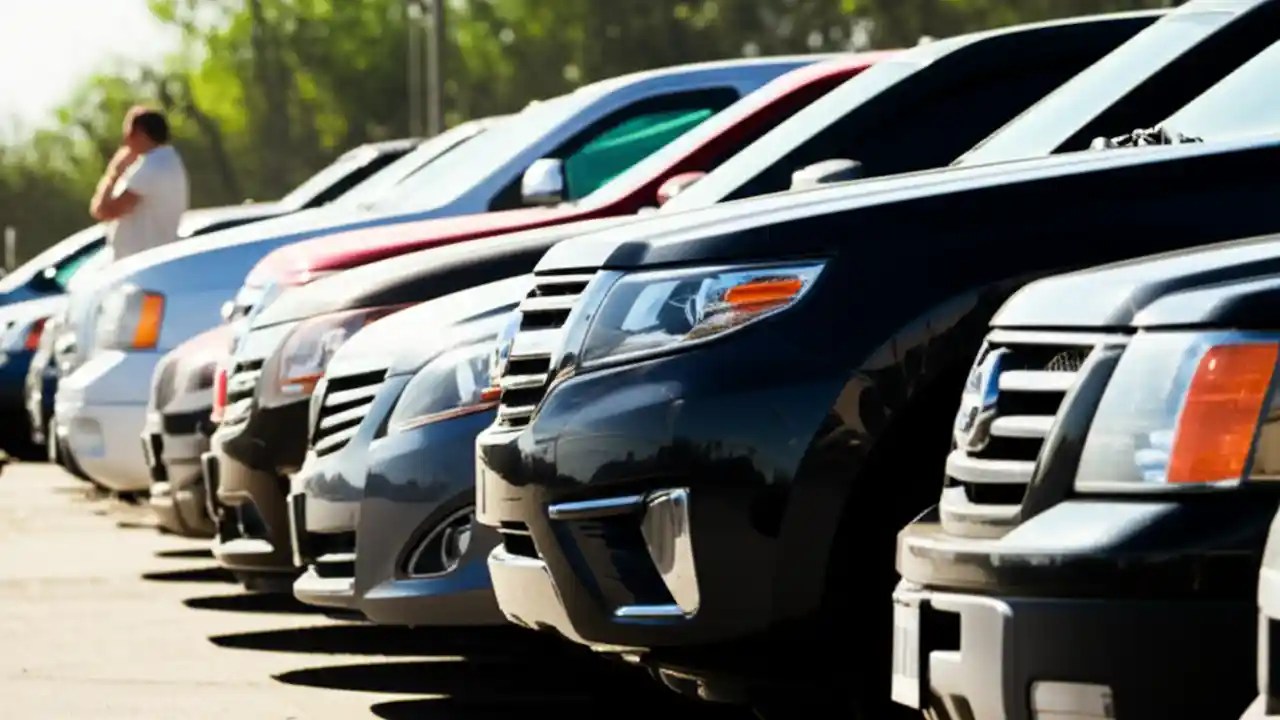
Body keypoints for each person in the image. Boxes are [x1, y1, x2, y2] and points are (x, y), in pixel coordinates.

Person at [89, 106, 189, 261]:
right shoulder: (169, 160)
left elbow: (105, 210)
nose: (126, 141)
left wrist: (113, 174)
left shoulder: (151, 166)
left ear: (141, 134)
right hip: (155, 258)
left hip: (141, 262)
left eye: (129, 134)